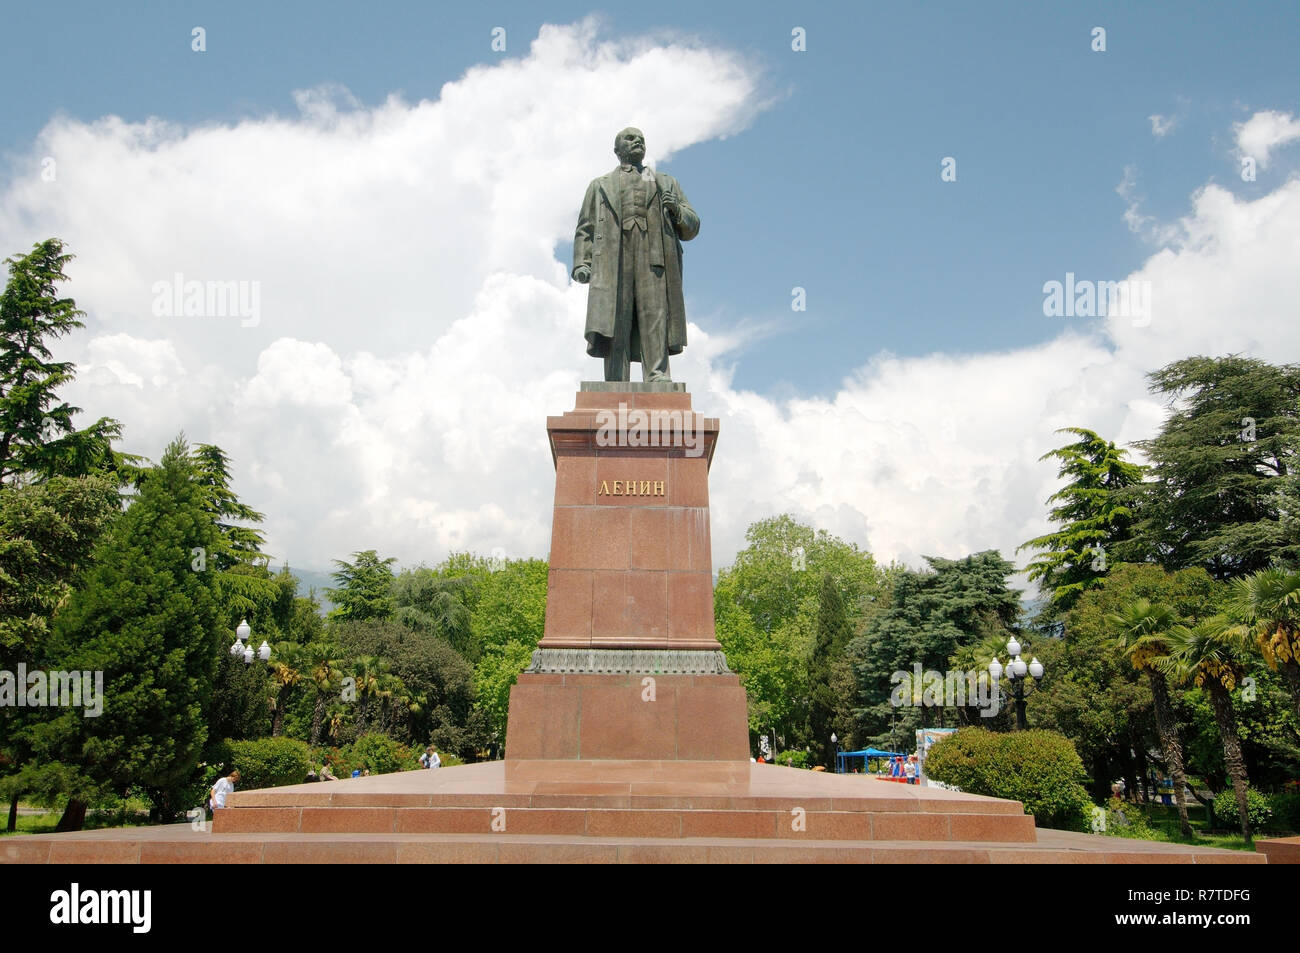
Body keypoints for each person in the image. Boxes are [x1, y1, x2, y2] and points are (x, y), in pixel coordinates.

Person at [573, 127, 700, 382]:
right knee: (615, 316)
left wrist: (675, 208)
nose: (638, 141)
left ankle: (657, 374)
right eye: (630, 139)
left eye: (641, 139)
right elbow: (585, 228)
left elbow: (692, 226)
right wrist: (581, 263)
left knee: (655, 315)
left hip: (654, 258)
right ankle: (616, 379)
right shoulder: (599, 186)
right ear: (617, 150)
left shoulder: (666, 182)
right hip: (612, 259)